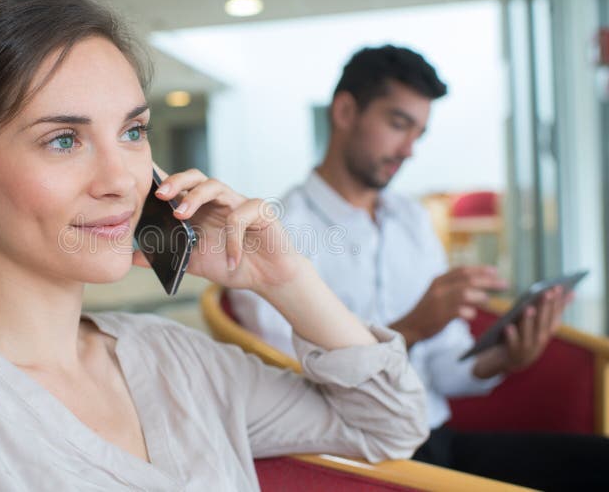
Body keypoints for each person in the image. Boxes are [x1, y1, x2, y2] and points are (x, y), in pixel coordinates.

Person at [0, 0, 429, 491]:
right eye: (63, 140)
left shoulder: (173, 357)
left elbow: (390, 423)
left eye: (133, 132)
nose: (120, 180)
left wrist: (286, 277)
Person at [230, 45, 609, 490]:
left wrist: (503, 358)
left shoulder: (412, 221)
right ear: (345, 111)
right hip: (358, 461)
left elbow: (445, 369)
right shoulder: (276, 237)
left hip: (437, 438)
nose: (409, 149)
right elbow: (294, 387)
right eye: (398, 124)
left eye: (419, 134)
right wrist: (411, 328)